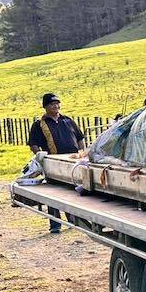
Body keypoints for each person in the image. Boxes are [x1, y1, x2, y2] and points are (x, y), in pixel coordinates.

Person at [27, 93, 86, 233]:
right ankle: (55, 225)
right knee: (54, 194)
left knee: (72, 191)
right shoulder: (39, 124)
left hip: (71, 160)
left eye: (58, 103)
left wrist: (82, 152)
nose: (56, 106)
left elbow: (79, 137)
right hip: (53, 162)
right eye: (52, 104)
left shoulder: (68, 120)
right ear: (46, 106)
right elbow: (33, 144)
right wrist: (40, 156)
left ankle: (73, 220)